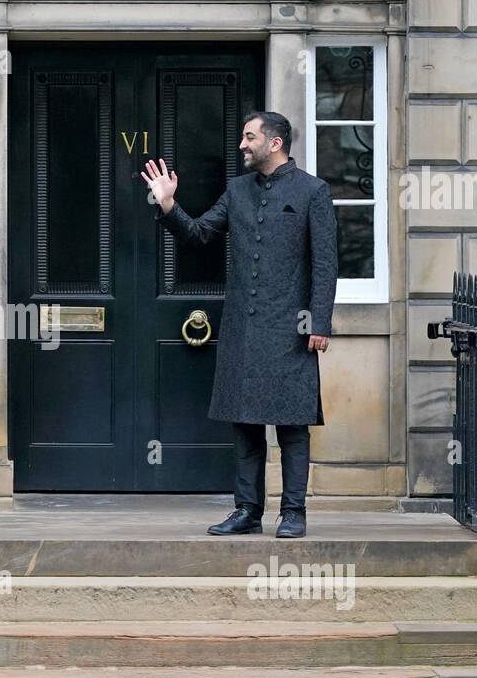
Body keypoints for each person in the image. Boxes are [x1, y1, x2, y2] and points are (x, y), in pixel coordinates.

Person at [142, 111, 338, 538]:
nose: (242, 145)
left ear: (274, 143)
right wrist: (168, 204)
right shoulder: (237, 190)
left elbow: (325, 264)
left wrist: (318, 321)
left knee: (291, 426)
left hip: (292, 328)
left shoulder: (313, 191)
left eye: (250, 137)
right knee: (245, 424)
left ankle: (294, 513)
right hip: (243, 330)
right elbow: (198, 235)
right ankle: (247, 511)